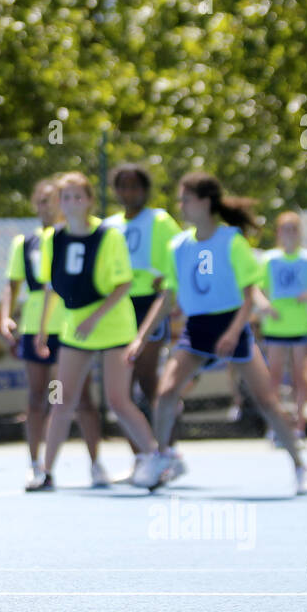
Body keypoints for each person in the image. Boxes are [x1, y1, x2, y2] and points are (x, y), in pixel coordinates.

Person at [132, 172, 307, 495]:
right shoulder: (178, 246)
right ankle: (163, 456)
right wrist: (140, 337)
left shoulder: (231, 241)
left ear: (204, 202)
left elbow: (249, 295)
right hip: (196, 328)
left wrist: (232, 332)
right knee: (166, 392)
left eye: (185, 199)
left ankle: (300, 466)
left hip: (232, 324)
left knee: (267, 401)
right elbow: (168, 295)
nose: (181, 205)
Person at [29, 172, 168, 491]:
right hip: (74, 328)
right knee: (62, 400)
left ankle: (155, 457)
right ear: (60, 203)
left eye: (79, 196)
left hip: (114, 325)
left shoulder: (109, 235)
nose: (73, 202)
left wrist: (95, 318)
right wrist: (42, 331)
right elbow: (51, 287)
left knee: (118, 400)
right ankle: (46, 471)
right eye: (66, 197)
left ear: (90, 200)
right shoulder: (53, 237)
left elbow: (124, 284)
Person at [0, 178, 106, 485]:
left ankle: (96, 464)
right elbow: (12, 282)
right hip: (36, 327)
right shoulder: (26, 242)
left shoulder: (70, 238)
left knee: (80, 398)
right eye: (43, 200)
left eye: (54, 199)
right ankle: (37, 464)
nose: (50, 206)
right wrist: (6, 317)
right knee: (36, 398)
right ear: (36, 205)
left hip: (70, 325)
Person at [104, 163, 182, 479]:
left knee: (148, 376)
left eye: (135, 186)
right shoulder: (108, 226)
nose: (129, 192)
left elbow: (181, 256)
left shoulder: (160, 221)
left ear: (145, 190)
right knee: (124, 385)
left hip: (151, 305)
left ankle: (168, 451)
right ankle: (140, 456)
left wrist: (168, 284)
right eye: (123, 186)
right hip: (119, 306)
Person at [260, 212, 307, 439]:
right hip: (275, 326)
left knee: (300, 377)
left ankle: (300, 428)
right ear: (278, 232)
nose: (289, 233)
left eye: (294, 229)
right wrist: (267, 306)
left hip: (299, 326)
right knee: (275, 377)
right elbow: (258, 290)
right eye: (285, 229)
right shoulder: (270, 259)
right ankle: (276, 427)